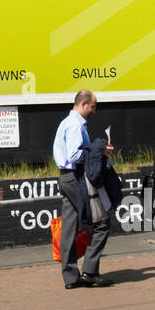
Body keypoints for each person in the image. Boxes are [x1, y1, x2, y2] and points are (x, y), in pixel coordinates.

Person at [52, 90, 115, 289]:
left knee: (70, 226)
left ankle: (71, 277)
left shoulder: (67, 123)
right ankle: (90, 271)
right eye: (93, 107)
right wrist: (98, 150)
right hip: (76, 177)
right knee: (102, 221)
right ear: (84, 104)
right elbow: (74, 156)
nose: (94, 111)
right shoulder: (75, 125)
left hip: (66, 177)